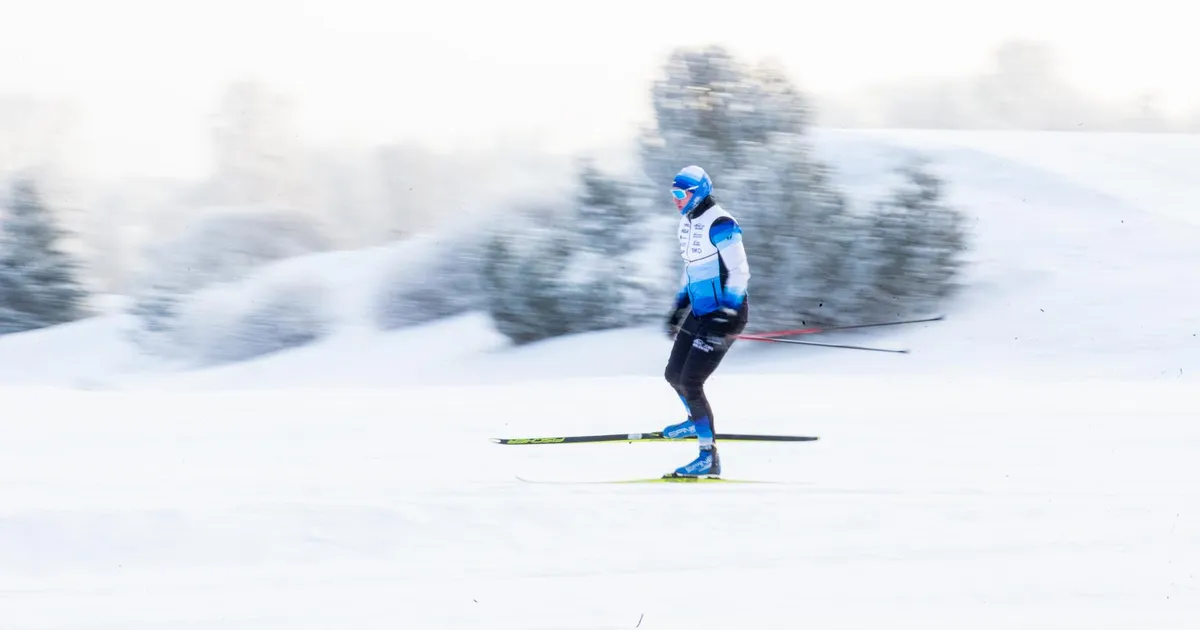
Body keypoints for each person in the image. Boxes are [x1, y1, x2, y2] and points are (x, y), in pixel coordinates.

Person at [660, 165, 750, 478]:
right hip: (699, 312)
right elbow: (692, 271)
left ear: (696, 192)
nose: (675, 200)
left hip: (724, 315)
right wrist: (677, 308)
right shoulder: (685, 224)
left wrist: (727, 313)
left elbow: (739, 272)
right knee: (673, 374)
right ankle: (692, 421)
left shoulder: (722, 223)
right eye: (673, 194)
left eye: (680, 194)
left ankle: (707, 457)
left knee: (691, 382)